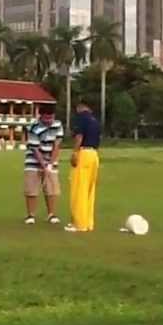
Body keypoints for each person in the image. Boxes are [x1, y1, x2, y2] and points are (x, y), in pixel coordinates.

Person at [23, 103, 63, 225]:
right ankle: (30, 215)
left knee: (51, 189)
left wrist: (50, 164)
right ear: (41, 116)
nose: (49, 121)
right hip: (33, 161)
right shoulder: (33, 127)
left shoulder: (58, 125)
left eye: (51, 118)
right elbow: (35, 149)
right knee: (31, 189)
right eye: (46, 118)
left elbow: (57, 145)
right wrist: (43, 165)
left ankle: (51, 214)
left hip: (51, 159)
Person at [67, 98, 102, 233]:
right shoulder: (95, 120)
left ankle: (79, 223)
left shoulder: (82, 118)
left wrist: (75, 152)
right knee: (89, 190)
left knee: (79, 189)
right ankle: (88, 223)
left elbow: (79, 136)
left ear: (81, 107)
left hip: (84, 153)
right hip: (94, 155)